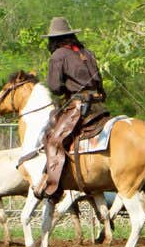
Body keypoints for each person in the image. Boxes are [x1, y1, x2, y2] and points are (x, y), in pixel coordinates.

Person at [35, 17, 107, 198]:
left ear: (54, 40)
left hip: (78, 107)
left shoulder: (58, 55)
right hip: (99, 106)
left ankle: (52, 185)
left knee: (53, 140)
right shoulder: (87, 52)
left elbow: (55, 87)